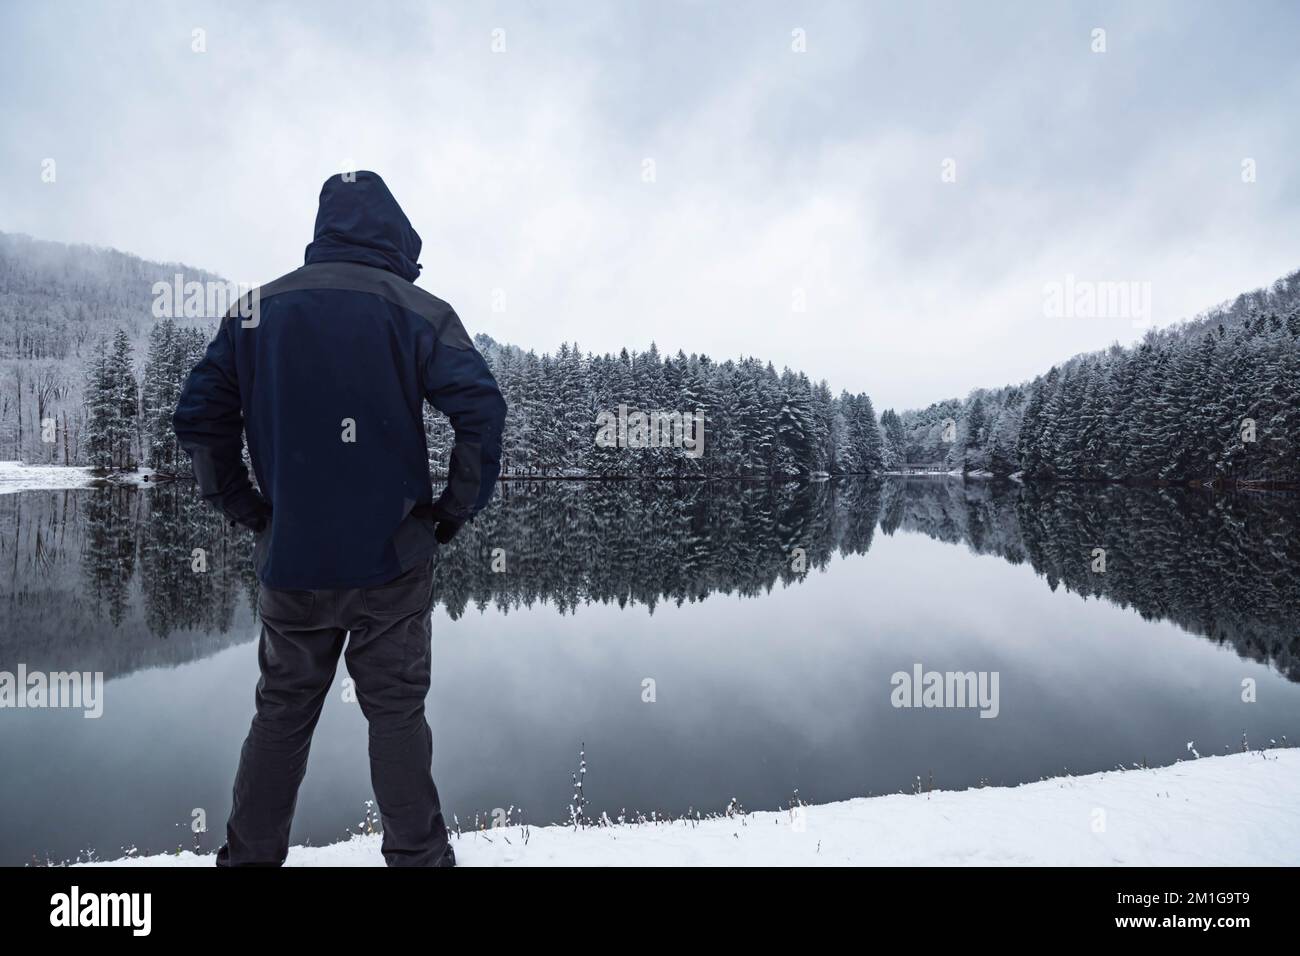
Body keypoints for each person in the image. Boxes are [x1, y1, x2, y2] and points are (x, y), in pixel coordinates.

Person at [173, 171, 507, 867]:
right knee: (396, 716)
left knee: (281, 712)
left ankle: (247, 861)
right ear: (393, 233)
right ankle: (419, 861)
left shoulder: (255, 311)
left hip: (292, 559)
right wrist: (451, 511)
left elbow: (200, 419)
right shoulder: (417, 309)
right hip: (392, 561)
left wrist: (248, 510)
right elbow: (481, 410)